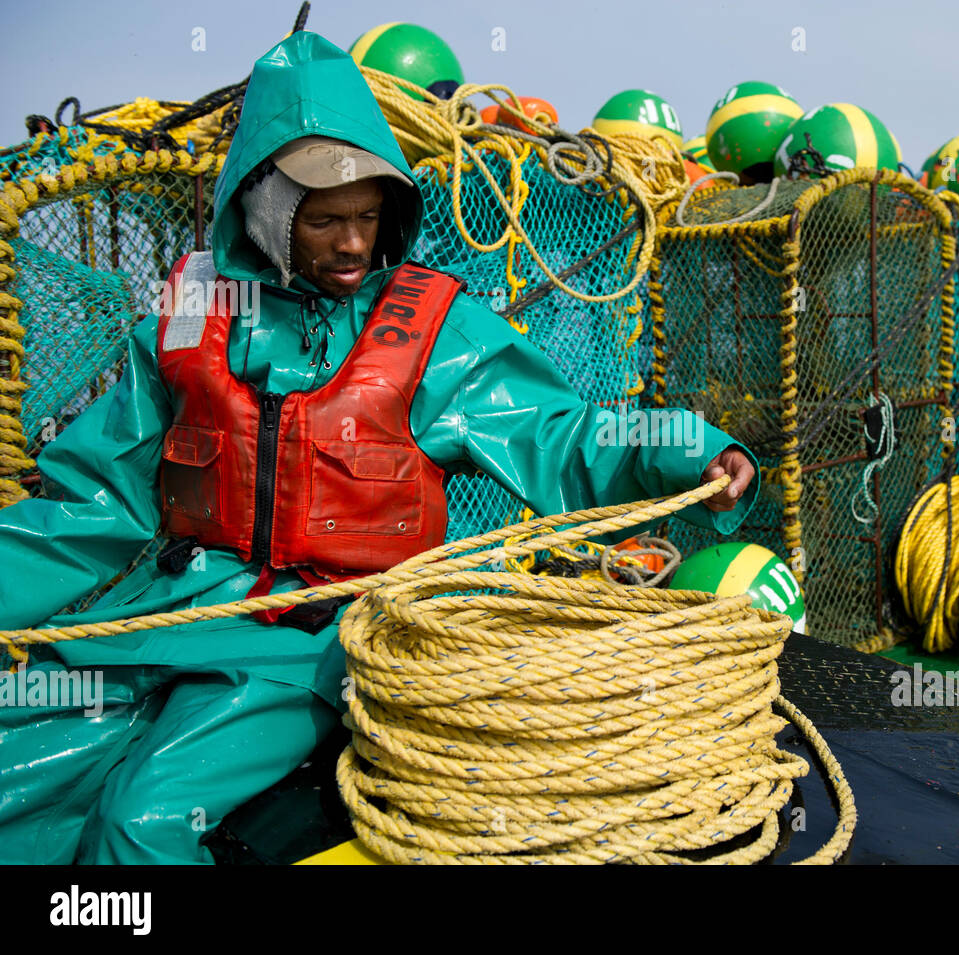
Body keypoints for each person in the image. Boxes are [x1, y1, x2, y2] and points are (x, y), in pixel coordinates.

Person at [0, 31, 757, 864]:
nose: (355, 243)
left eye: (368, 216)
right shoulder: (193, 316)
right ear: (262, 209)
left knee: (142, 819)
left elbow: (567, 435)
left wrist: (691, 448)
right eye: (324, 219)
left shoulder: (434, 330)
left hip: (314, 639)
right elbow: (92, 498)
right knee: (14, 779)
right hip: (161, 612)